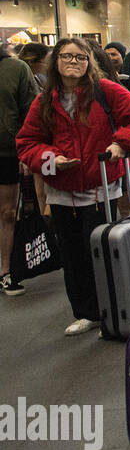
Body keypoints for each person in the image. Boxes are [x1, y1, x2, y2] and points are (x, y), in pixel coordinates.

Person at [16, 37, 130, 334]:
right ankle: (87, 312)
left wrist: (120, 144)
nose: (74, 62)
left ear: (89, 62)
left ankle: (113, 311)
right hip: (62, 192)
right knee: (73, 257)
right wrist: (51, 160)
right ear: (55, 62)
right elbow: (26, 143)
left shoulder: (106, 91)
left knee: (101, 253)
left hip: (101, 189)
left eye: (80, 58)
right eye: (67, 57)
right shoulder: (44, 100)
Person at [0, 42, 38, 296]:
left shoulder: (16, 68)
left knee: (7, 212)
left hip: (7, 152)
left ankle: (5, 271)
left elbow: (31, 111)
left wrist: (27, 152)